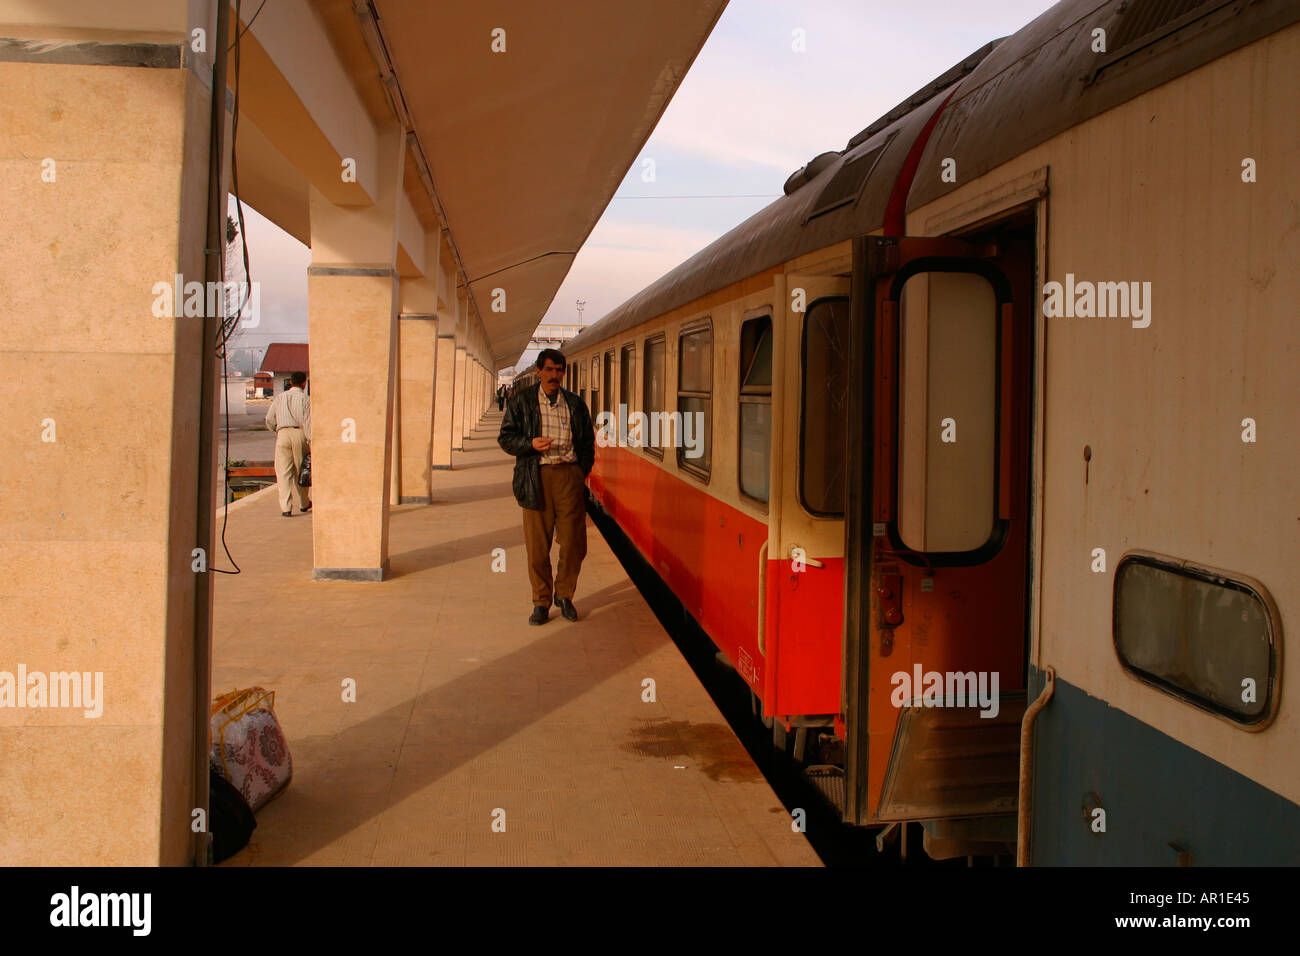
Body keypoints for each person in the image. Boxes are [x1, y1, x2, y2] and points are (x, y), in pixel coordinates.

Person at [497, 349, 595, 625]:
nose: (554, 375)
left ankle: (564, 595)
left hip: (568, 476)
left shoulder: (575, 404)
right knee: (538, 548)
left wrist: (579, 472)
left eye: (559, 370)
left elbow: (587, 443)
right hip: (535, 475)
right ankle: (541, 601)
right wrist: (529, 444)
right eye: (549, 370)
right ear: (539, 371)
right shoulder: (522, 401)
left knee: (574, 543)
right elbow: (506, 437)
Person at [265, 370, 312, 517]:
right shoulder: (306, 399)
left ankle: (286, 507)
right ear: (304, 383)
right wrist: (310, 440)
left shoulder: (279, 397)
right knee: (301, 470)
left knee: (283, 472)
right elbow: (308, 422)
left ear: (290, 382)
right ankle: (304, 503)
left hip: (282, 434)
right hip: (299, 433)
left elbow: (269, 419)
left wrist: (277, 431)